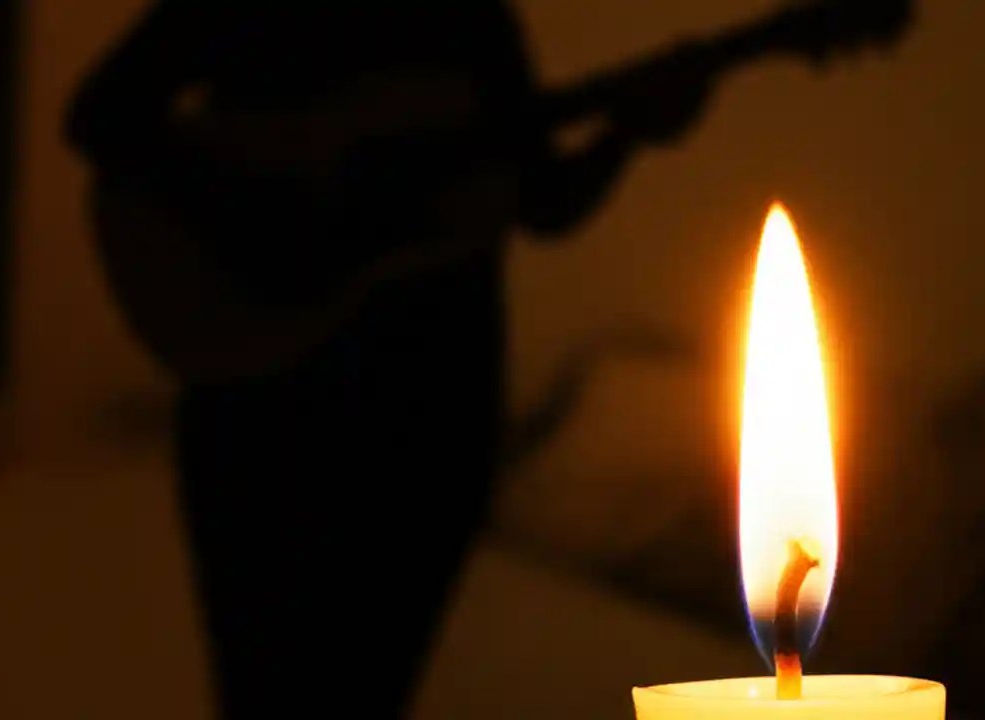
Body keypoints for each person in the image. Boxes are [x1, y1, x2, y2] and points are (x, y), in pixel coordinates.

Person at [66, 2, 715, 716]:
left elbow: (539, 198)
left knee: (366, 683)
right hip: (271, 399)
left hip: (431, 409)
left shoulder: (473, 20)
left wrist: (626, 132)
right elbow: (100, 115)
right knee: (265, 683)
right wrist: (260, 213)